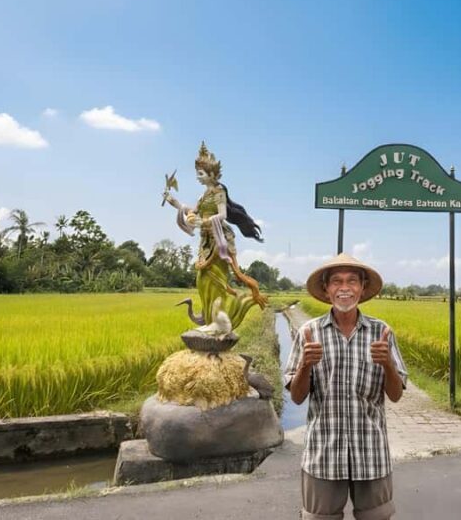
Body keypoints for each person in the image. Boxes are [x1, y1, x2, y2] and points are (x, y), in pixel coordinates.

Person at [284, 253, 408, 520]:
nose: (344, 288)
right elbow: (296, 397)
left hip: (371, 452)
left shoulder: (381, 332)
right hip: (323, 455)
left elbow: (396, 396)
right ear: (326, 289)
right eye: (337, 281)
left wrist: (387, 363)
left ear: (362, 288)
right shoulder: (309, 332)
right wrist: (305, 364)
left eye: (352, 281)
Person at [162, 142, 266, 326]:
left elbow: (222, 215)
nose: (198, 177)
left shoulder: (218, 192)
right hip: (206, 242)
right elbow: (192, 211)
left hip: (219, 240)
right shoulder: (204, 195)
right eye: (197, 173)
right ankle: (210, 319)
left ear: (212, 174)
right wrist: (174, 202)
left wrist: (203, 221)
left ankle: (218, 322)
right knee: (202, 280)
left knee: (216, 281)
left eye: (200, 174)